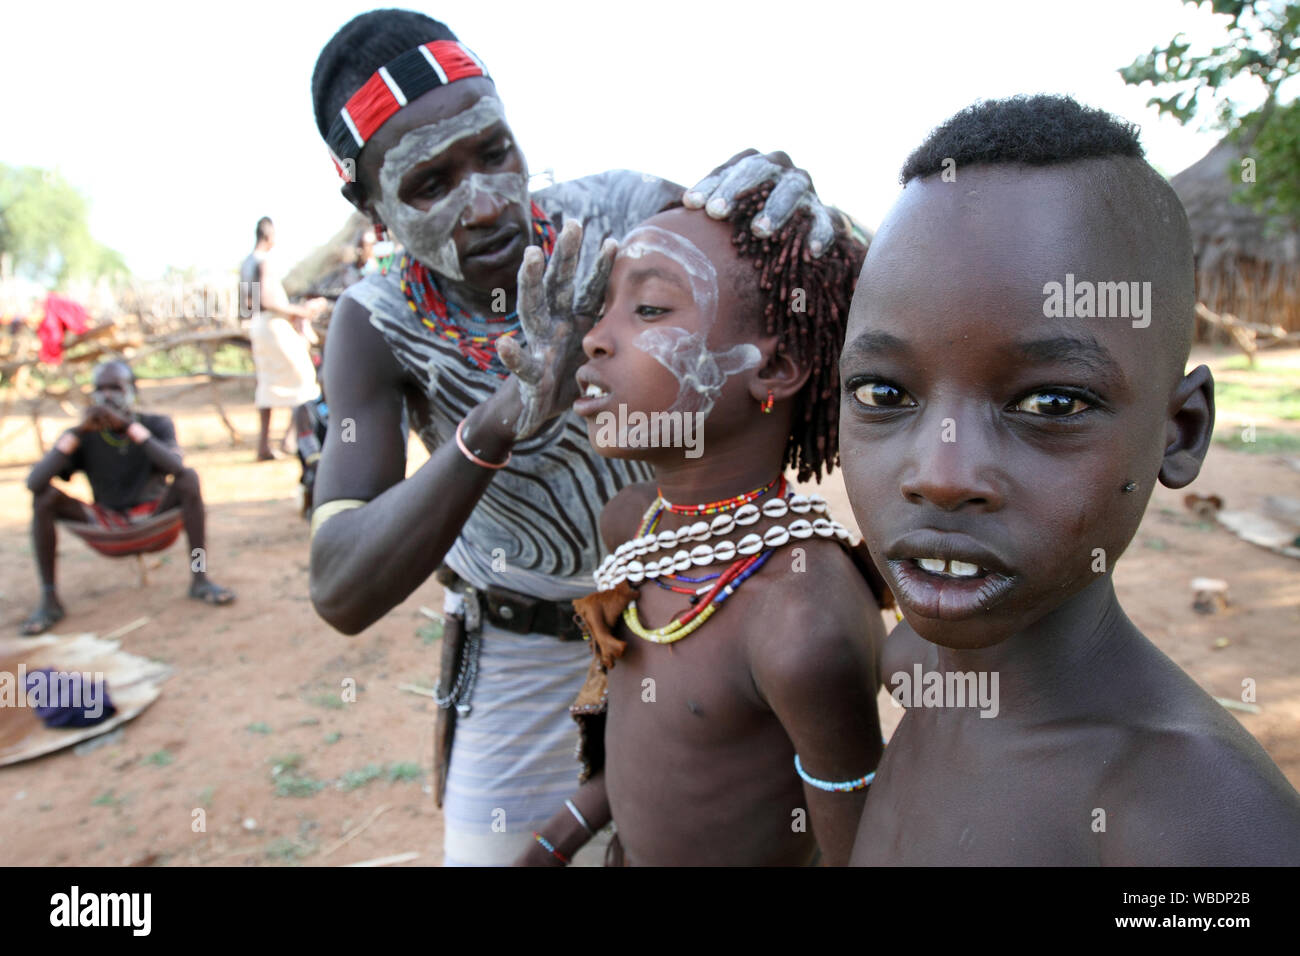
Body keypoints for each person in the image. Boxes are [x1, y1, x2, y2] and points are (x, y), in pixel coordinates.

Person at [307, 9, 836, 865]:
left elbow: (792, 284)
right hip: (527, 655)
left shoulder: (624, 217)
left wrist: (787, 210)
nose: (483, 204)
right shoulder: (378, 322)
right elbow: (340, 586)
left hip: (701, 615)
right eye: (429, 185)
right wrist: (505, 416)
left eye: (493, 153)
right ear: (367, 205)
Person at [839, 94, 1300, 864]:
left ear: (1179, 432)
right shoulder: (914, 672)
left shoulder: (1201, 824)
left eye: (1052, 402)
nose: (942, 475)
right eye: (884, 393)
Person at [516, 189, 889, 866]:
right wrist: (558, 836)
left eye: (650, 309)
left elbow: (855, 852)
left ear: (773, 368)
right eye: (605, 312)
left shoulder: (802, 617)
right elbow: (660, 751)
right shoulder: (633, 526)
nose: (597, 338)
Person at [21, 360, 235, 635]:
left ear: (133, 390)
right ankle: (49, 598)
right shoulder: (83, 436)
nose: (107, 395)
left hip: (155, 516)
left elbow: (176, 468)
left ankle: (200, 578)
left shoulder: (155, 424)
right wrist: (76, 432)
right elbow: (34, 483)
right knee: (44, 498)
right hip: (106, 522)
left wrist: (129, 427)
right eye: (100, 389)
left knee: (189, 479)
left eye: (115, 388)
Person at [240, 216, 327, 461]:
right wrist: (301, 311)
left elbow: (249, 303)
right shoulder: (264, 262)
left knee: (268, 384)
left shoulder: (247, 263)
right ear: (269, 236)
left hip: (257, 325)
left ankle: (265, 446)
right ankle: (297, 440)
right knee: (304, 379)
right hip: (271, 325)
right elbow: (269, 302)